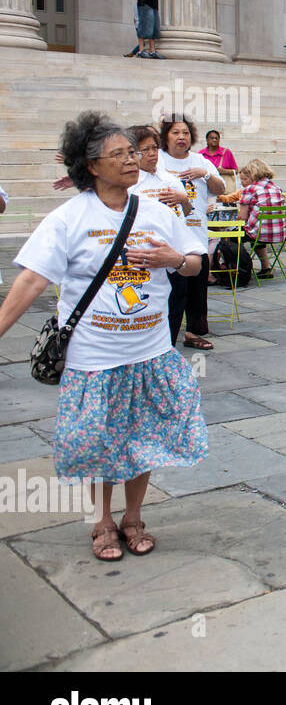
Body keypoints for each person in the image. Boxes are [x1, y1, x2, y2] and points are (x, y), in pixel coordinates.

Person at [0, 112, 207, 560]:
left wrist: (173, 259)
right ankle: (103, 521)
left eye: (133, 152)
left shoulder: (155, 210)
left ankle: (133, 518)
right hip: (95, 355)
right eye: (119, 155)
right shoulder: (68, 218)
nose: (133, 161)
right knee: (101, 443)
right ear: (91, 166)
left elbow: (194, 262)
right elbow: (31, 281)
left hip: (151, 349)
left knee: (143, 437)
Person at [156, 112, 224, 350]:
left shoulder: (200, 160)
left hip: (196, 234)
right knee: (173, 292)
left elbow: (220, 187)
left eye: (185, 132)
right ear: (165, 136)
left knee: (197, 290)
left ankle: (194, 333)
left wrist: (203, 174)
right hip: (167, 237)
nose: (181, 137)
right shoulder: (158, 161)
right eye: (175, 132)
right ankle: (164, 340)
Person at [236, 159, 286, 279]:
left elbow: (242, 218)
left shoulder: (250, 188)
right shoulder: (276, 187)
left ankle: (241, 267)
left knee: (230, 237)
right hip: (279, 232)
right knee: (257, 231)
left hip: (259, 232)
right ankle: (266, 267)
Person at [200, 130, 238, 194]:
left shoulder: (226, 152)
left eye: (216, 138)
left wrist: (225, 171)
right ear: (207, 140)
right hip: (206, 190)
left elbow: (236, 171)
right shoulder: (201, 154)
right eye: (212, 138)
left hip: (225, 191)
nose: (214, 140)